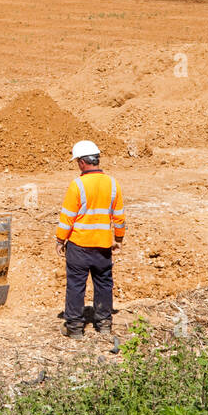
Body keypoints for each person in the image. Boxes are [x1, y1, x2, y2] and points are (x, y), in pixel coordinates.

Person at [55, 140, 126, 337]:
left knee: (76, 286)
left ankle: (75, 327)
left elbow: (67, 217)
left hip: (79, 245)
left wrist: (60, 240)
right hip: (103, 246)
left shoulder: (77, 185)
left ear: (82, 162)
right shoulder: (113, 184)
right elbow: (119, 216)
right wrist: (118, 239)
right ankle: (104, 323)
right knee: (104, 284)